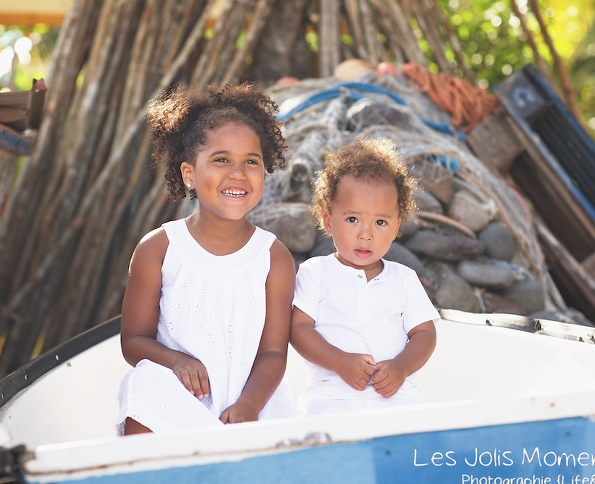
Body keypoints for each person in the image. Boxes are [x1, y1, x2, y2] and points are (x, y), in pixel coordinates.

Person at [116, 83, 298, 435]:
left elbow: (274, 354)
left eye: (251, 162)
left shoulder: (273, 257)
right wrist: (176, 361)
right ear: (189, 175)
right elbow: (133, 340)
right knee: (143, 383)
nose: (237, 173)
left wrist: (250, 404)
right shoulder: (159, 249)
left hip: (248, 405)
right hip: (178, 403)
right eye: (221, 160)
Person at [290, 137, 439, 415]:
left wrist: (401, 367)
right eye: (352, 219)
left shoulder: (405, 278)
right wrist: (340, 362)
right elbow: (298, 330)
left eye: (380, 222)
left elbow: (425, 333)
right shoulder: (316, 272)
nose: (365, 234)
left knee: (418, 439)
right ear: (328, 222)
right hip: (329, 400)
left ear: (396, 228)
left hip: (397, 399)